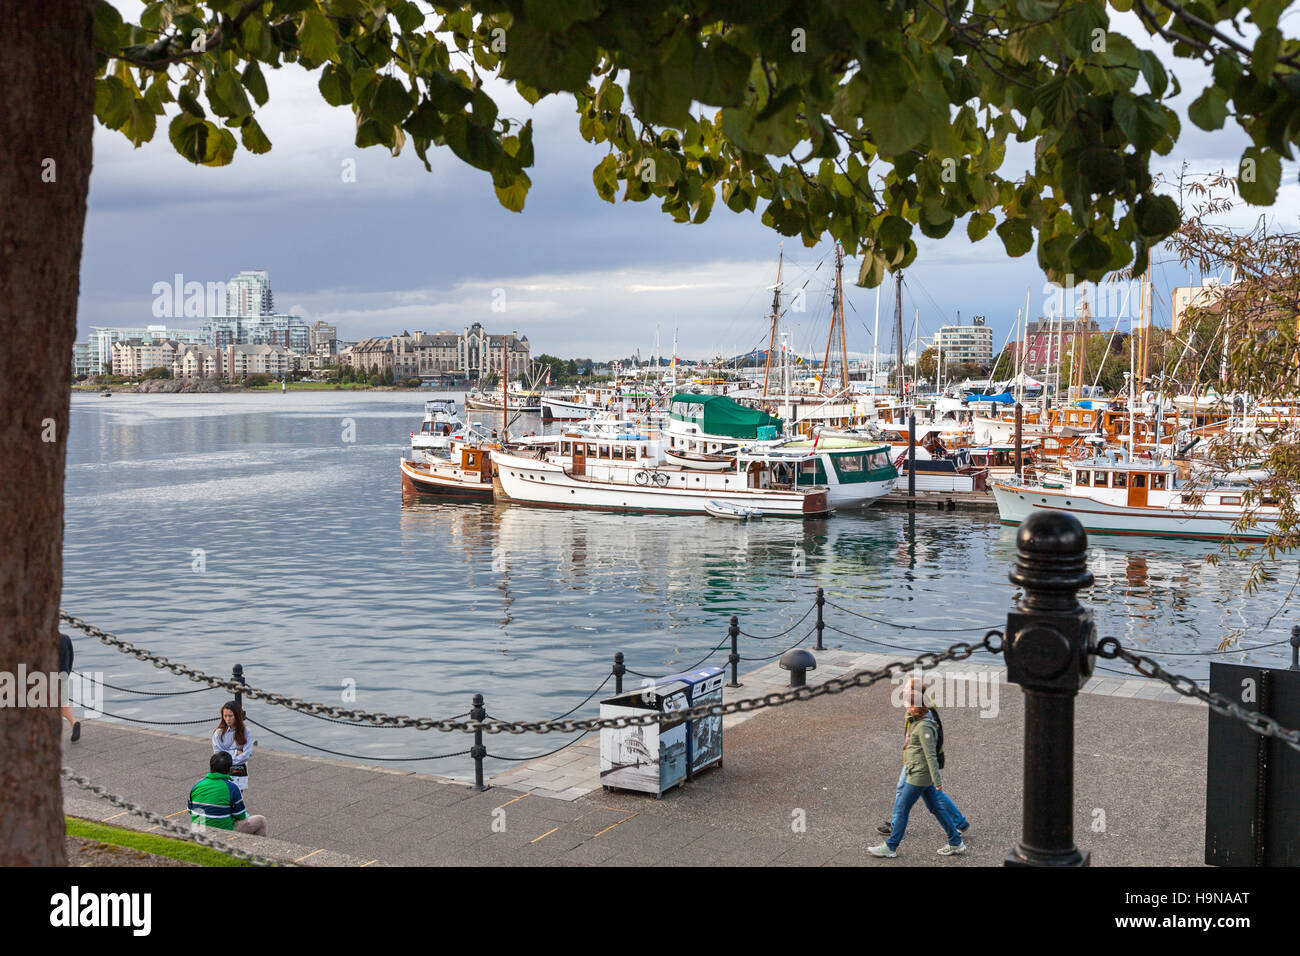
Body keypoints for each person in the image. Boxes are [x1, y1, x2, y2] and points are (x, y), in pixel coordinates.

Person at [867, 682, 966, 858]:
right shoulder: (916, 720)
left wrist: (937, 781)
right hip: (918, 772)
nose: (904, 705)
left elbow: (930, 755)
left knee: (902, 809)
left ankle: (890, 846)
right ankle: (956, 842)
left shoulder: (924, 727)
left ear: (914, 706)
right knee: (936, 808)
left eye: (907, 702)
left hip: (919, 775)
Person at [188, 751, 267, 835]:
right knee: (260, 821)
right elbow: (240, 816)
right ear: (229, 769)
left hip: (198, 830)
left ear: (211, 767)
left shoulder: (197, 785)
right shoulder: (232, 788)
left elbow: (190, 810)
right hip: (220, 832)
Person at [212, 701, 252, 794]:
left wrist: (227, 757)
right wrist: (236, 752)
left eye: (230, 716)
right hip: (223, 772)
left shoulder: (246, 732)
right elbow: (218, 754)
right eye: (225, 716)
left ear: (237, 716)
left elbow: (246, 754)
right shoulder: (218, 733)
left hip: (239, 772)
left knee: (237, 797)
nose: (227, 719)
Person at [57, 631, 80, 742]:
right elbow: (71, 657)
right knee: (64, 706)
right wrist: (67, 671)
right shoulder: (65, 638)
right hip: (63, 676)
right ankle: (74, 723)